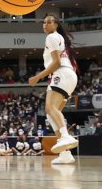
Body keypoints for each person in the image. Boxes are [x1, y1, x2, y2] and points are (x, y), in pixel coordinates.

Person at [27, 14, 80, 166]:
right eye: (44, 22)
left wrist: (37, 77)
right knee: (52, 115)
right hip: (69, 77)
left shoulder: (51, 37)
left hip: (61, 74)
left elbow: (56, 63)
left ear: (56, 24)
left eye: (49, 22)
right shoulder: (60, 39)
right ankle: (65, 153)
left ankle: (65, 136)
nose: (45, 24)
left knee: (50, 109)